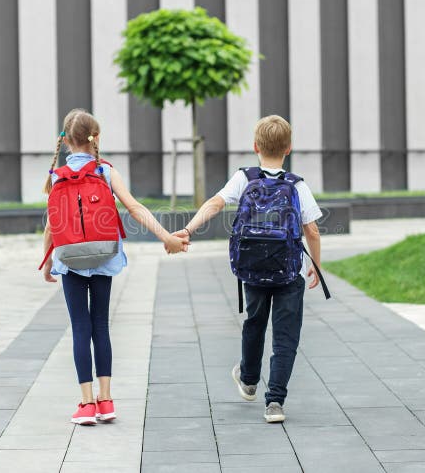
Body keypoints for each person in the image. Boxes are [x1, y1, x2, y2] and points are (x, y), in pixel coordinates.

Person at [42, 109, 188, 425]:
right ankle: (106, 401)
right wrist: (167, 238)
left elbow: (52, 225)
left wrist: (47, 261)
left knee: (80, 328)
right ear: (96, 139)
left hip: (69, 261)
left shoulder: (56, 176)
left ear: (66, 141)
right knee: (100, 326)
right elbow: (135, 208)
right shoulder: (107, 172)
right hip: (104, 256)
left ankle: (85, 404)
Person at [173, 115, 323, 423]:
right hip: (288, 272)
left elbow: (215, 203)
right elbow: (313, 231)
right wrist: (316, 267)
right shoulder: (297, 185)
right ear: (289, 148)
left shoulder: (245, 178)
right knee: (285, 337)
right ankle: (275, 403)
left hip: (253, 269)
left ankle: (249, 380)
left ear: (255, 146)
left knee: (254, 322)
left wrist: (188, 229)